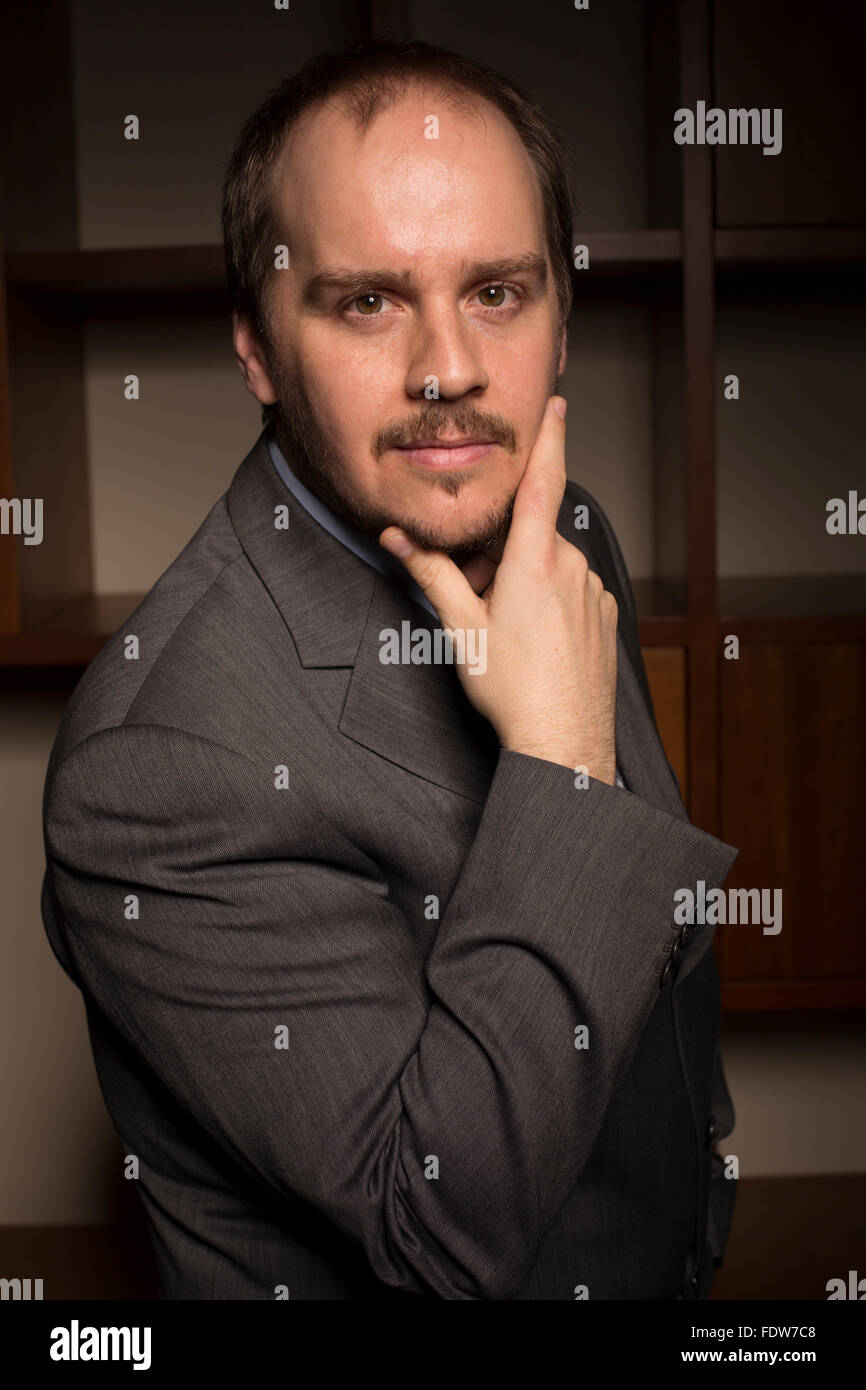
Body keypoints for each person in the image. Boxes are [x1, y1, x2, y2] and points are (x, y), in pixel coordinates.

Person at [40, 39, 738, 1300]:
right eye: (366, 299)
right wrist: (561, 767)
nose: (448, 370)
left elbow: (649, 985)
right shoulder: (156, 766)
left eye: (498, 292)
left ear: (559, 316)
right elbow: (437, 1242)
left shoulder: (554, 529)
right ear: (255, 345)